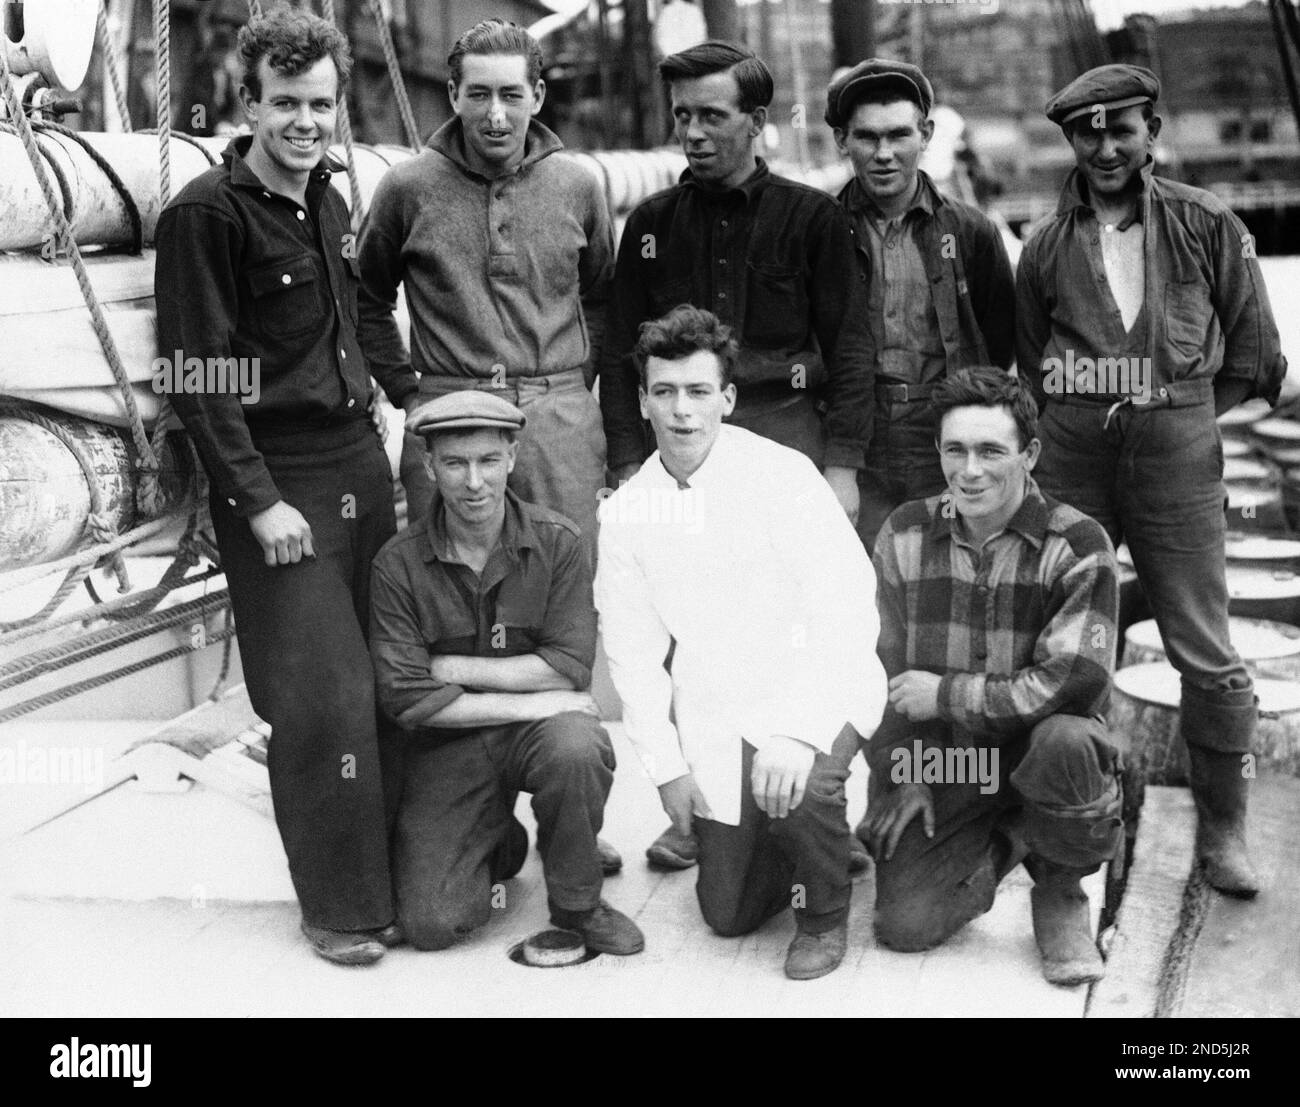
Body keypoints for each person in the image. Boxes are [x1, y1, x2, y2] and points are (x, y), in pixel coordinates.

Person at [155, 8, 399, 965]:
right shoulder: (207, 217)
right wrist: (256, 501)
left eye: (322, 104)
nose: (305, 121)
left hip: (358, 464)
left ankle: (415, 872)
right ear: (248, 103)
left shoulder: (331, 201)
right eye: (286, 102)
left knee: (389, 676)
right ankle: (341, 907)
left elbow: (358, 329)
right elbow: (197, 373)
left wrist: (413, 407)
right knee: (324, 696)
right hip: (280, 476)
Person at [600, 40, 874, 870]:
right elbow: (622, 357)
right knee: (693, 634)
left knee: (795, 621)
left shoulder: (813, 219)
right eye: (681, 116)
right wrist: (624, 468)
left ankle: (816, 801)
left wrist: (843, 467)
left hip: (785, 439)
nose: (693, 133)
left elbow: (852, 348)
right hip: (680, 449)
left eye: (712, 116)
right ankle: (704, 804)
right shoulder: (650, 227)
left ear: (758, 122)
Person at [1016, 64, 1288, 898]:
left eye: (1121, 128)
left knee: (1206, 649)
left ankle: (1224, 828)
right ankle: (1062, 837)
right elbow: (1031, 363)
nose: (1105, 146)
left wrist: (1182, 415)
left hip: (1176, 450)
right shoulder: (1044, 243)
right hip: (1074, 452)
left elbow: (1254, 357)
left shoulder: (1209, 223)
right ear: (1070, 139)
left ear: (1152, 131)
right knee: (1058, 638)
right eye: (1087, 132)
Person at [594, 306, 887, 980]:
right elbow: (632, 655)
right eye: (664, 392)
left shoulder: (782, 475)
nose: (682, 411)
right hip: (720, 718)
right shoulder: (630, 508)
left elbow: (846, 609)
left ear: (726, 398)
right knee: (727, 914)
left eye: (699, 391)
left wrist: (799, 733)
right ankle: (805, 839)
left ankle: (822, 912)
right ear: (642, 401)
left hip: (816, 687)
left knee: (802, 784)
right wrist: (665, 766)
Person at [865, 368, 1123, 985]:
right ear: (938, 451)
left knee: (1069, 738)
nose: (970, 471)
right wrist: (902, 770)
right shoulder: (904, 532)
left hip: (1040, 753)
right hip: (949, 761)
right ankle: (1015, 837)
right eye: (955, 450)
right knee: (905, 926)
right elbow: (875, 670)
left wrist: (947, 695)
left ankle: (1061, 891)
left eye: (991, 452)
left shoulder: (1079, 543)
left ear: (1029, 454)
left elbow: (1076, 680)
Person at [368, 392, 643, 955]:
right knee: (432, 924)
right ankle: (501, 842)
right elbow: (406, 697)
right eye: (455, 463)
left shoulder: (558, 542)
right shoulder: (396, 564)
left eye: (488, 461)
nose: (474, 481)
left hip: (530, 736)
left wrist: (453, 669)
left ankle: (578, 904)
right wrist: (532, 700)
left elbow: (568, 665)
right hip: (448, 746)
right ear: (428, 467)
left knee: (576, 746)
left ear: (513, 458)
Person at [357, 18, 613, 548]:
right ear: (453, 95)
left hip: (557, 422)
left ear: (537, 96)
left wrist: (571, 383)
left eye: (510, 95)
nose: (495, 115)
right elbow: (365, 300)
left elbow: (605, 296)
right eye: (479, 94)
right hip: (449, 411)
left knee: (565, 579)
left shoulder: (579, 186)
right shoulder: (407, 188)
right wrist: (410, 395)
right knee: (449, 593)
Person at [825, 59, 1014, 550]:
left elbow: (997, 341)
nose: (884, 154)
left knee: (949, 576)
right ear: (843, 141)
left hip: (943, 434)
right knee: (861, 586)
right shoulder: (819, 232)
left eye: (899, 135)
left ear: (925, 135)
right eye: (866, 137)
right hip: (853, 439)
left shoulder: (970, 232)